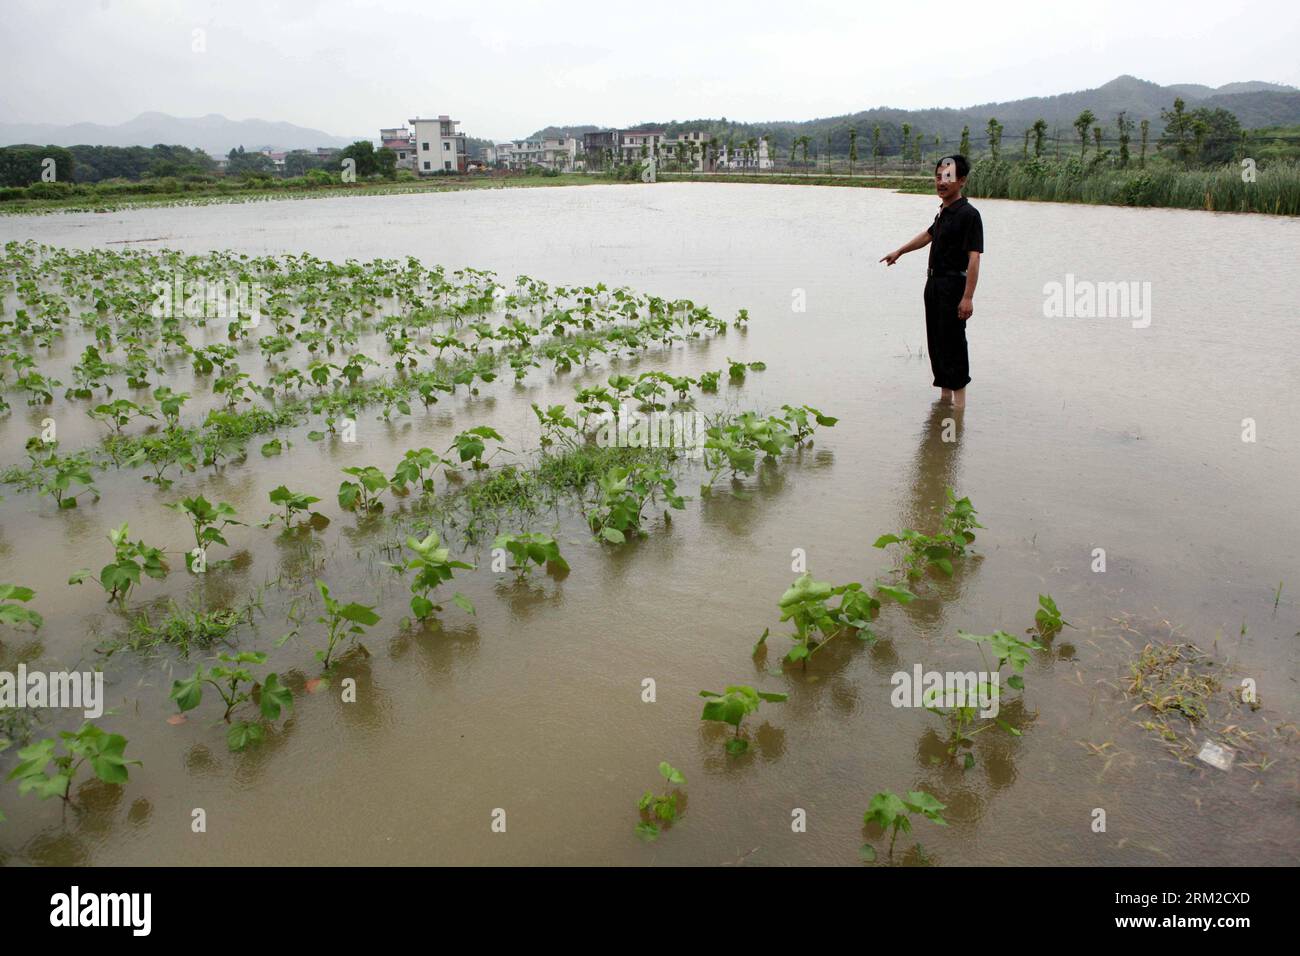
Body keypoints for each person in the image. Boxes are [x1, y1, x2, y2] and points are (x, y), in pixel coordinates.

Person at [880, 155, 983, 408]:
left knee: (954, 343)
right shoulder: (944, 213)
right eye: (938, 177)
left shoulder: (969, 214)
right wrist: (900, 251)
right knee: (936, 341)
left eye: (947, 177)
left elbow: (974, 258)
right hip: (934, 285)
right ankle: (944, 401)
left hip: (953, 287)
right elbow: (928, 236)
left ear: (962, 181)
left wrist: (967, 297)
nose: (940, 182)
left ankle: (959, 409)